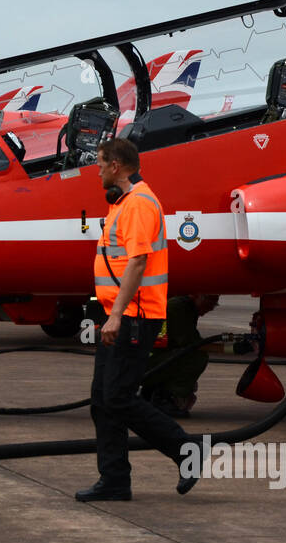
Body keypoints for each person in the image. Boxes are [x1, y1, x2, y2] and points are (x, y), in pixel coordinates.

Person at [77, 138, 198, 502]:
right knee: (102, 399)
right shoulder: (124, 203)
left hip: (133, 317)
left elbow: (138, 262)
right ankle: (114, 480)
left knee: (118, 397)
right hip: (118, 316)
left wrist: (115, 316)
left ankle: (186, 450)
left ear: (116, 165)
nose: (96, 170)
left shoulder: (140, 205)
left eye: (99, 163)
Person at [144, 295, 220, 418]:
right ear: (197, 296)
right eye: (210, 302)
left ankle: (151, 392)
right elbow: (193, 345)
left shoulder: (186, 307)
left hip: (146, 360)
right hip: (144, 365)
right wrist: (231, 348)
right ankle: (166, 399)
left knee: (184, 356)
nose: (211, 308)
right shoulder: (179, 307)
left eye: (214, 304)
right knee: (195, 358)